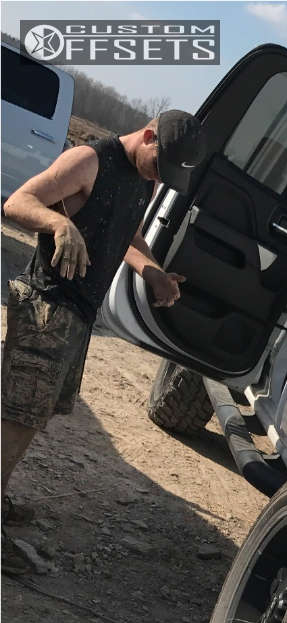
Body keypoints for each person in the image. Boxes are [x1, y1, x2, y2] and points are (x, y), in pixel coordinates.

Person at [1, 110, 206, 575]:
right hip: (46, 304)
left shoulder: (144, 178)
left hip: (76, 315)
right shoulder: (88, 160)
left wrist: (151, 270)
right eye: (160, 165)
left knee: (29, 417)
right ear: (148, 135)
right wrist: (58, 225)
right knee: (15, 417)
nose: (159, 177)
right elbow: (18, 202)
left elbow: (128, 232)